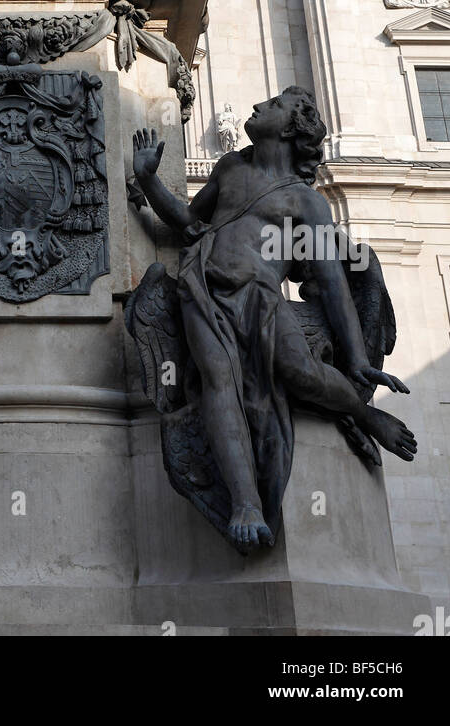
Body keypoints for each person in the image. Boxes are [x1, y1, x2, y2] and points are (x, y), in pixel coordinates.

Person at [130, 88, 416, 550]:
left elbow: (333, 280)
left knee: (301, 373)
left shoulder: (307, 203)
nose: (258, 105)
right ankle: (246, 502)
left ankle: (365, 415)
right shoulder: (230, 169)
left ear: (288, 128)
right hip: (202, 288)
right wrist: (149, 180)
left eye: (274, 104)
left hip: (263, 298)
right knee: (217, 377)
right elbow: (187, 221)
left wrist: (358, 357)